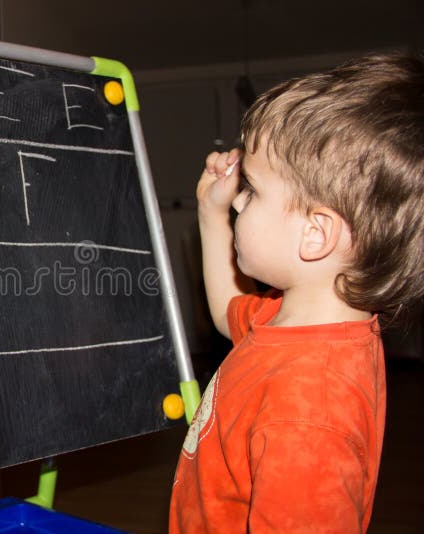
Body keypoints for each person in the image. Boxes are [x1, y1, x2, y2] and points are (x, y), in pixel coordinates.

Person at [169, 54, 424, 532]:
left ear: (315, 233)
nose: (238, 199)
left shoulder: (309, 414)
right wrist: (211, 214)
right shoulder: (295, 319)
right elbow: (227, 315)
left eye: (253, 190)